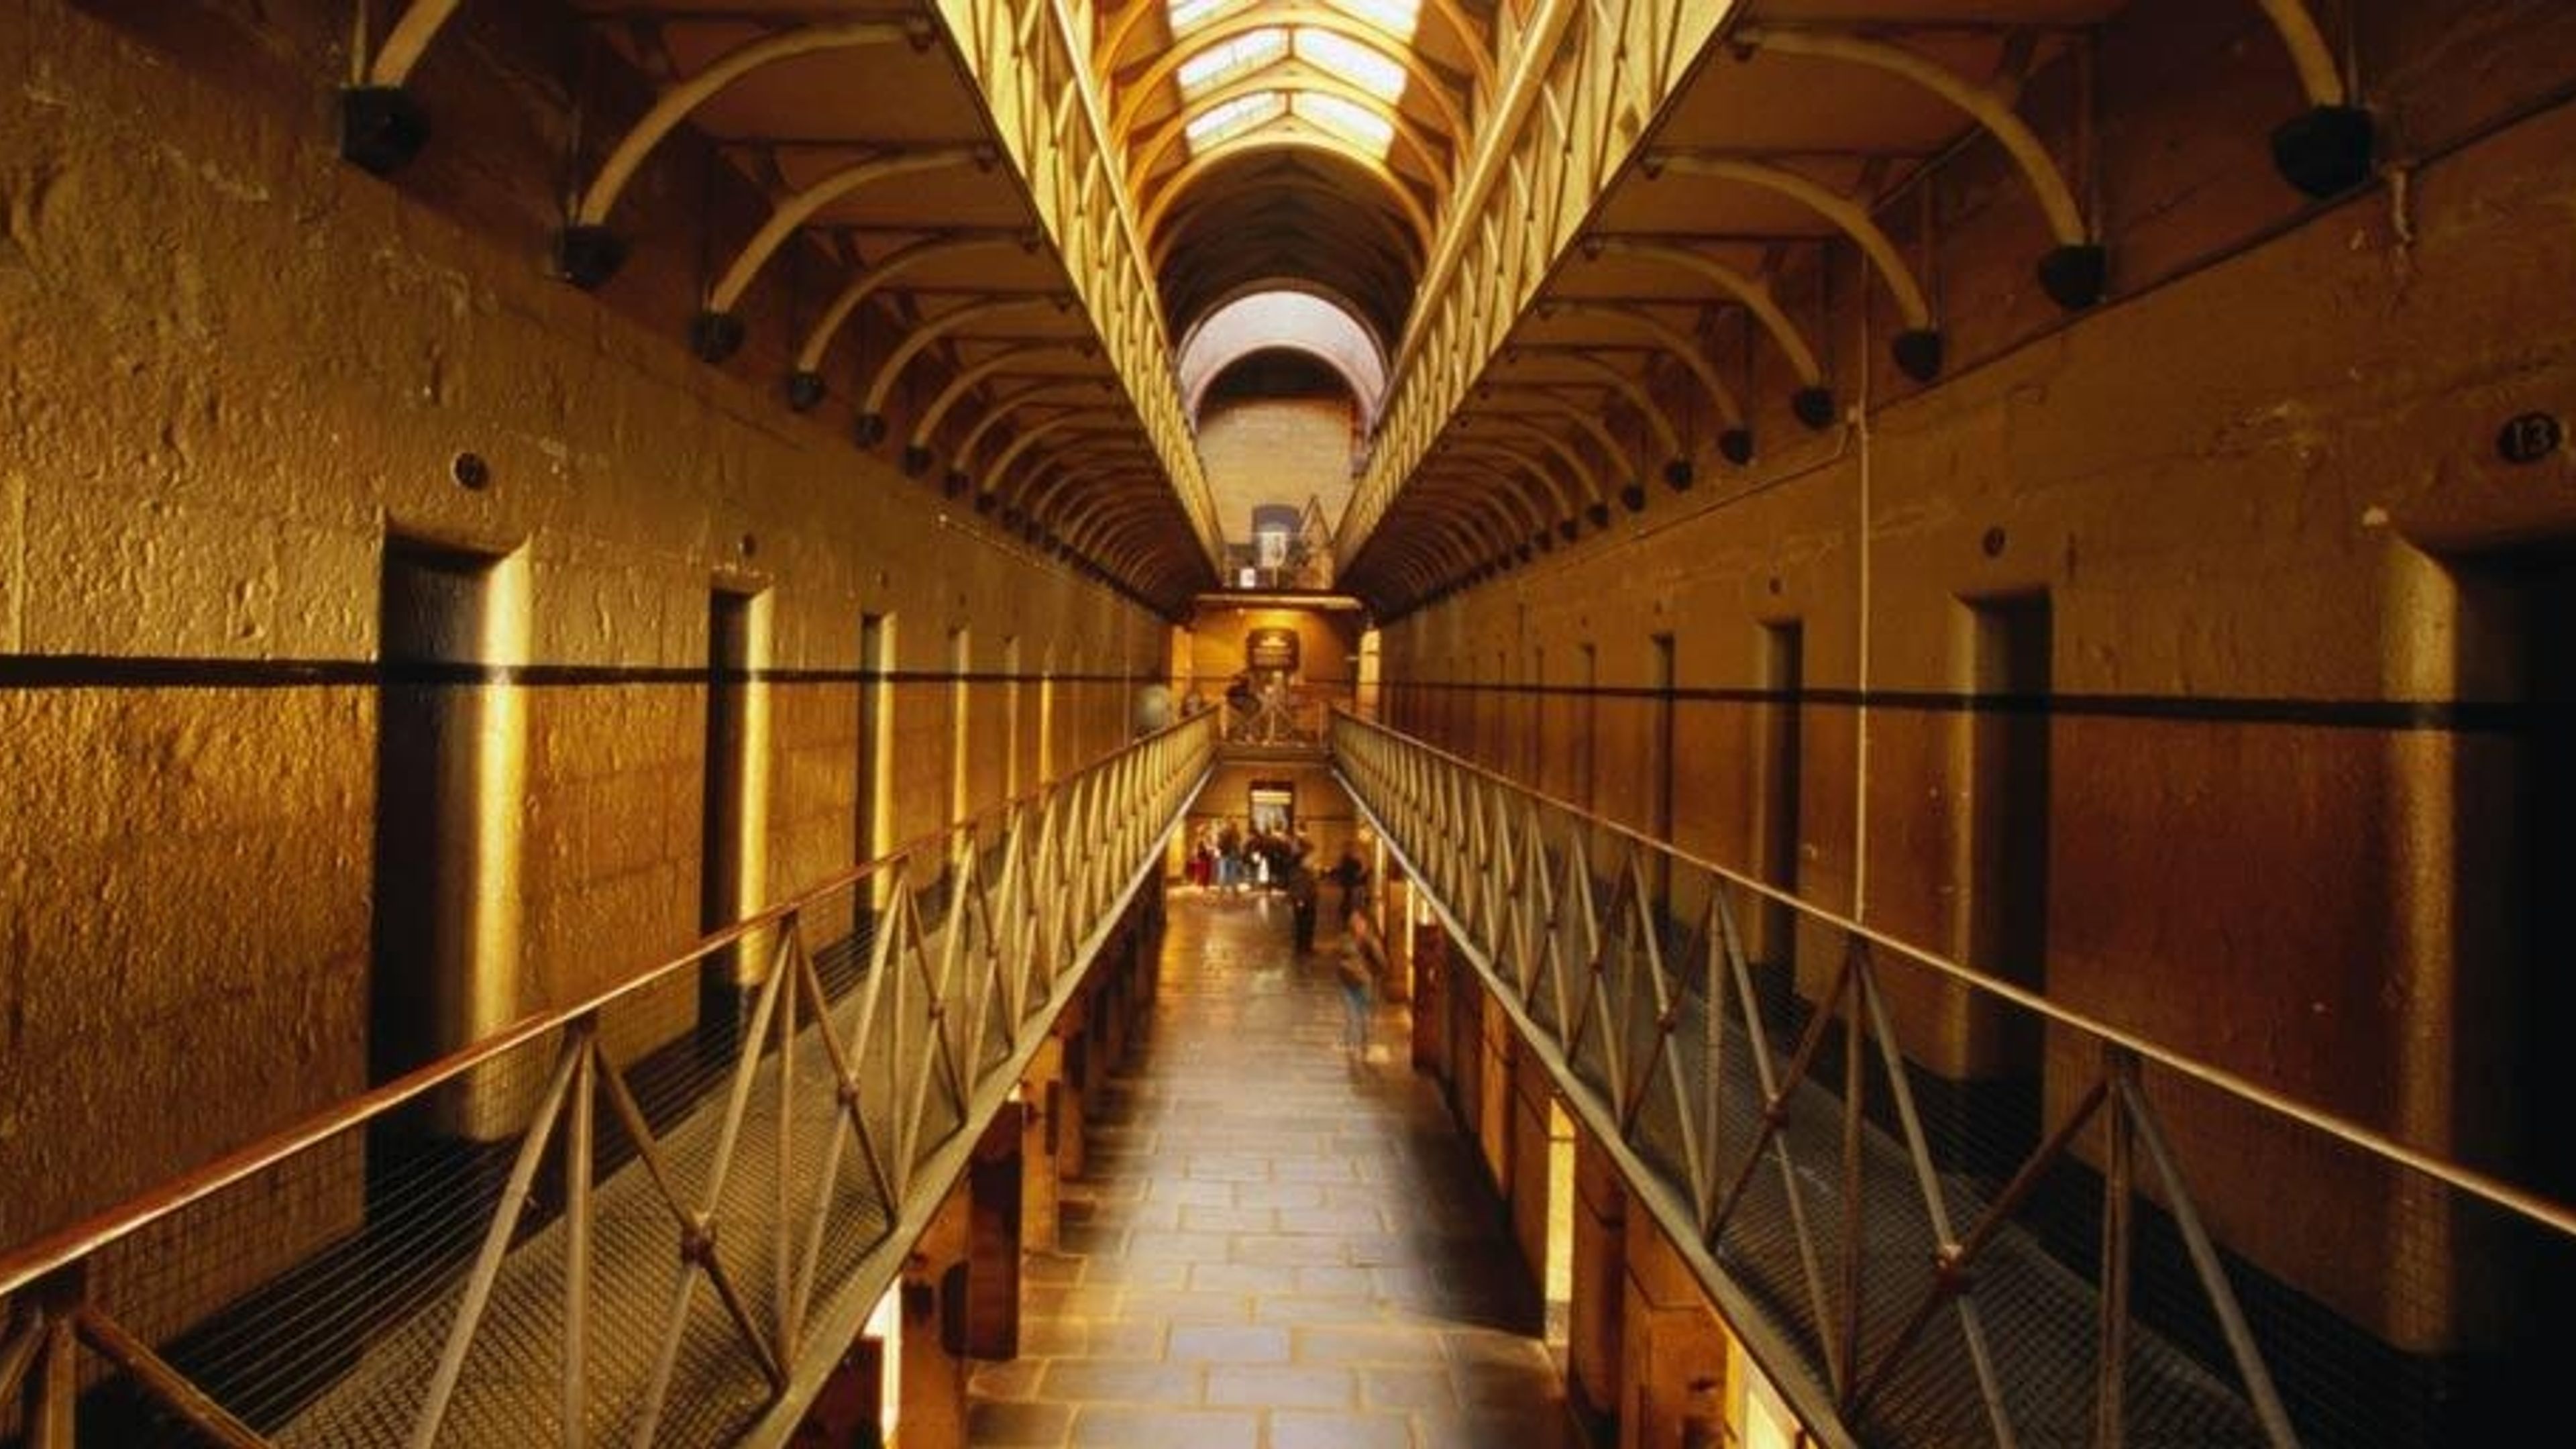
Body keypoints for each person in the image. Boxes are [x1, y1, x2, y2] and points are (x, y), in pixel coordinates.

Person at [1287, 864, 1319, 954]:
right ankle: (1304, 947)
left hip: (1307, 904)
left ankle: (1302, 946)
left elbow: (1292, 891)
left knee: (1302, 926)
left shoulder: (1297, 876)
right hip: (1307, 905)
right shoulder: (1303, 877)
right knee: (1305, 926)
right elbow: (1300, 891)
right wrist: (1301, 901)